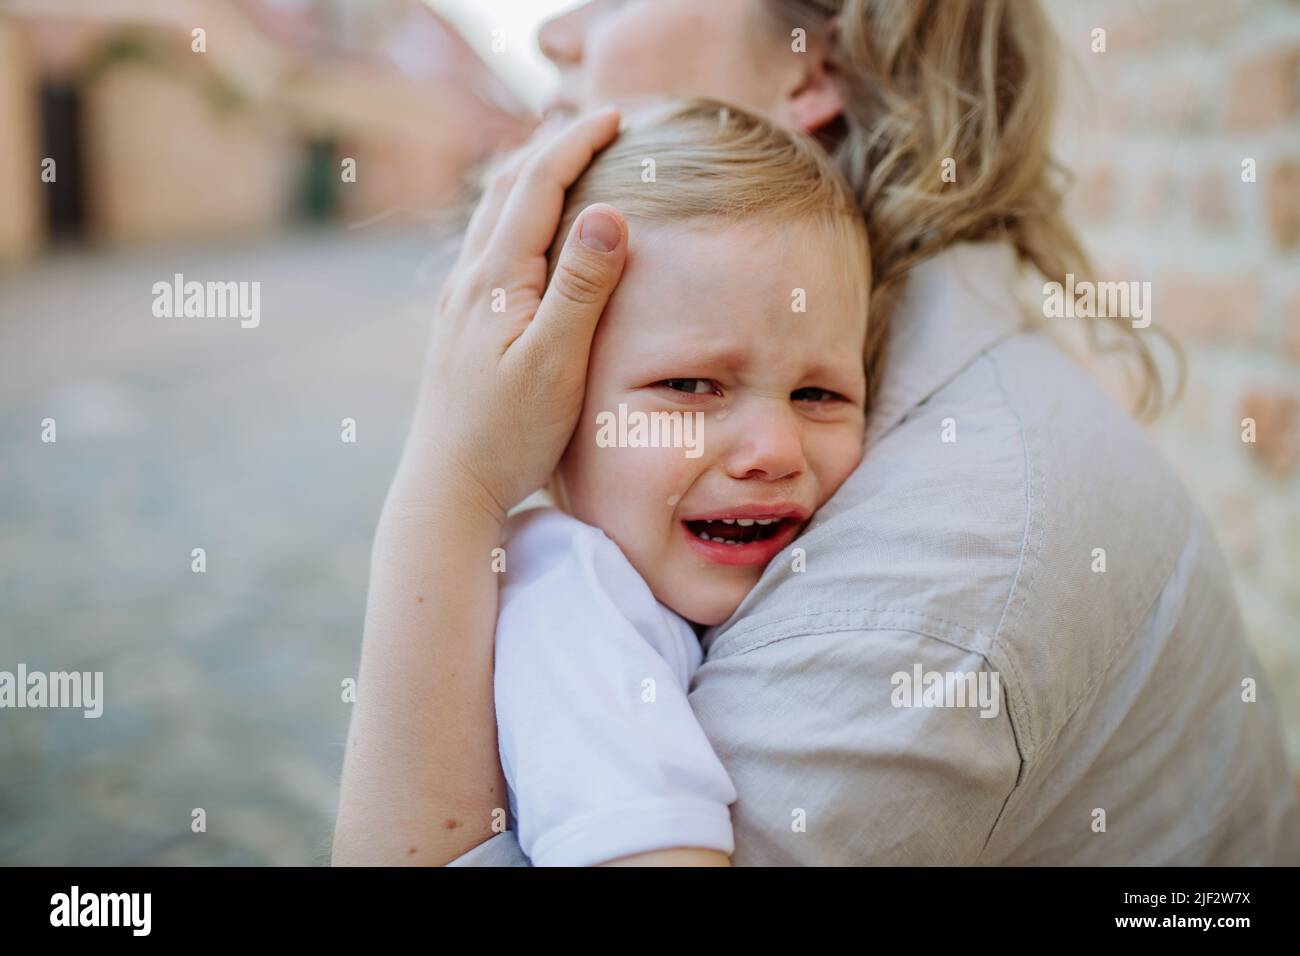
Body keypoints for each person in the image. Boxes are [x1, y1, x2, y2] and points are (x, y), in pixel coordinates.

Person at [332, 0, 1300, 866]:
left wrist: (450, 485)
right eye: (687, 383)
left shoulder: (926, 578)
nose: (555, 32)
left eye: (819, 395)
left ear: (813, 63)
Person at [495, 99, 872, 866]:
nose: (773, 450)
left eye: (818, 395)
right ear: (555, 405)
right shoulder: (572, 604)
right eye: (691, 386)